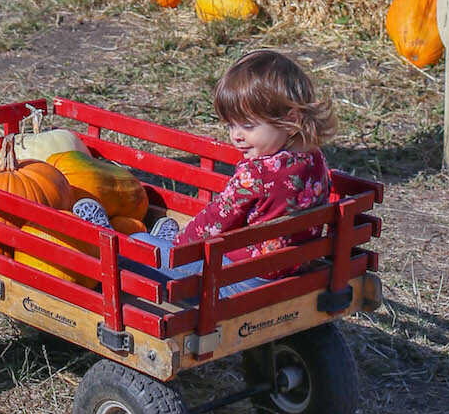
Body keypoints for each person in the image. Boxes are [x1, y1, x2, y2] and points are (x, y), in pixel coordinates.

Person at [75, 48, 333, 278]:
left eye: (247, 125)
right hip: (291, 268)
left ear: (292, 119)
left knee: (139, 244)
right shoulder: (315, 159)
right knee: (156, 245)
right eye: (230, 125)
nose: (236, 135)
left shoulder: (258, 173)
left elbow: (215, 221)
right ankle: (160, 241)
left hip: (240, 276)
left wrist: (177, 246)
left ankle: (105, 239)